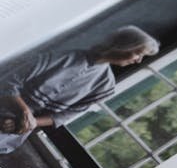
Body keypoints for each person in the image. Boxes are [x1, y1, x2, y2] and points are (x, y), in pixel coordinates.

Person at [0, 25, 160, 154]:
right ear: (123, 46)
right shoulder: (65, 55)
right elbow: (9, 82)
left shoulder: (105, 85)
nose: (138, 61)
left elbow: (63, 116)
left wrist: (30, 123)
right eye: (138, 53)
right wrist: (25, 112)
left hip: (14, 132)